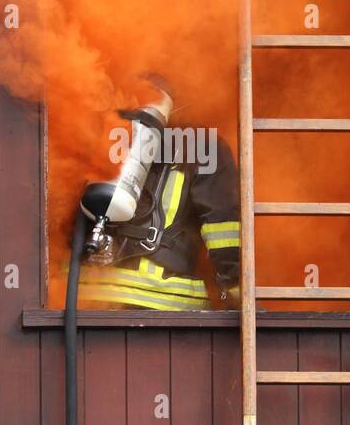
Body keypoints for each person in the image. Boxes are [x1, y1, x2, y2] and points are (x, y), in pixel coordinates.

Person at [78, 81, 241, 312]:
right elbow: (223, 228)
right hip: (162, 299)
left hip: (85, 295)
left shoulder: (99, 131)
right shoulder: (206, 144)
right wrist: (235, 290)